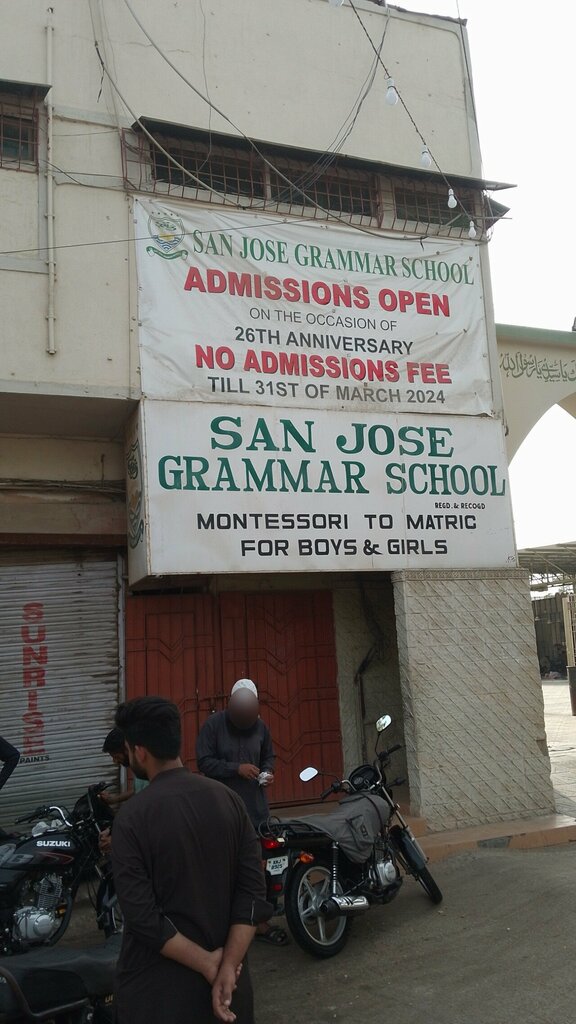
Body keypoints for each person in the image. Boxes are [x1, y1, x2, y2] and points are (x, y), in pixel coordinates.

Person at [111, 696, 271, 1024]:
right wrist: (227, 967)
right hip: (231, 993)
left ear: (139, 751)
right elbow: (253, 895)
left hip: (157, 998)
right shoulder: (229, 800)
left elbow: (142, 918)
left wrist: (208, 964)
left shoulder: (131, 818)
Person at [196, 679, 289, 947]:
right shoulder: (213, 726)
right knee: (227, 868)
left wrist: (268, 772)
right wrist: (235, 769)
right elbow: (204, 762)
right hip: (224, 808)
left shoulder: (261, 727)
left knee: (259, 866)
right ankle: (227, 923)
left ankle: (259, 921)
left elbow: (269, 756)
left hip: (257, 809)